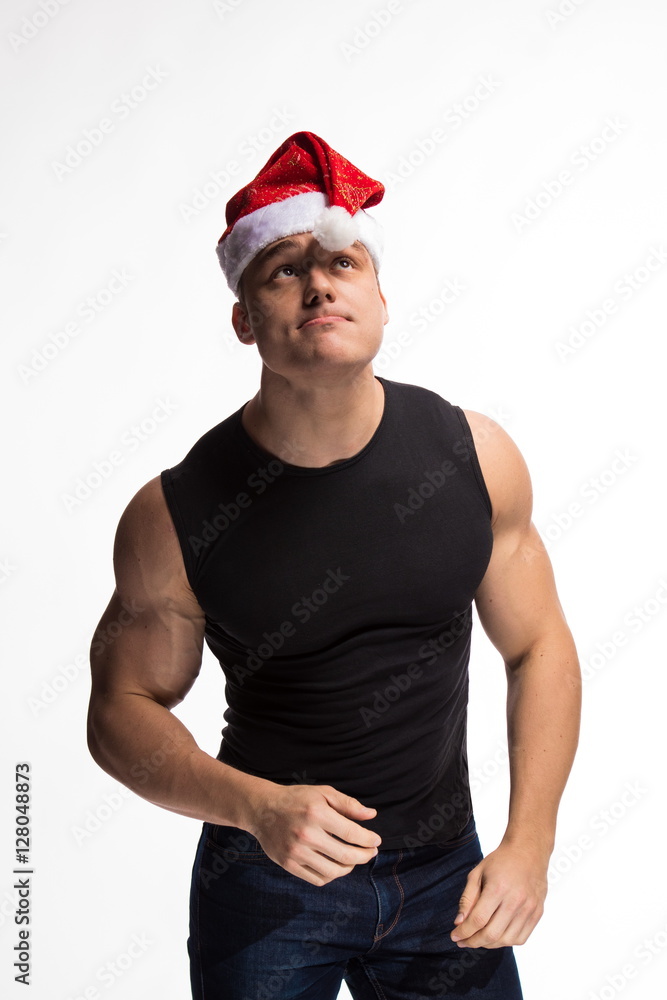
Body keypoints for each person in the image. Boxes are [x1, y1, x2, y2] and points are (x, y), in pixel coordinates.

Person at [87, 131, 582, 999]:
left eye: (343, 262)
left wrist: (529, 843)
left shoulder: (472, 456)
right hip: (266, 883)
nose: (319, 281)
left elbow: (537, 644)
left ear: (381, 299)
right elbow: (120, 711)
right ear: (243, 319)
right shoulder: (175, 513)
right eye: (283, 268)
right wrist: (255, 807)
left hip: (447, 881)